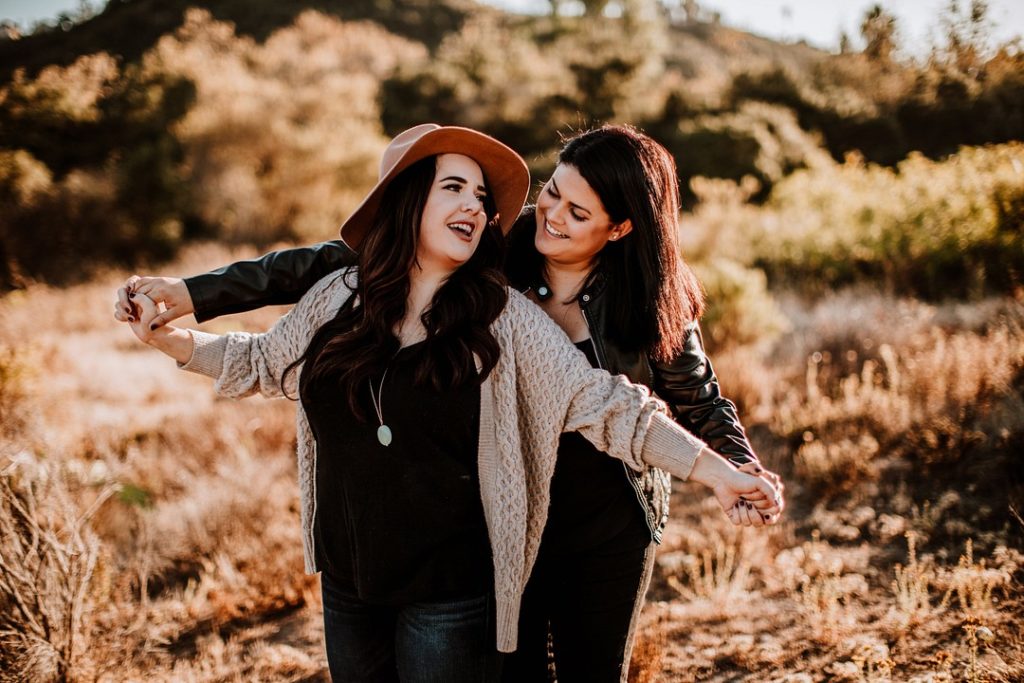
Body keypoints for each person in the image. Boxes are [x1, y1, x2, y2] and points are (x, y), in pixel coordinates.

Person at [115, 124, 784, 682]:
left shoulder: (555, 309)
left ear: (619, 229)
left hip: (572, 531)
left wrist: (731, 471)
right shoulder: (396, 280)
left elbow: (634, 403)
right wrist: (183, 318)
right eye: (550, 194)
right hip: (422, 545)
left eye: (577, 213)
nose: (547, 215)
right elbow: (275, 339)